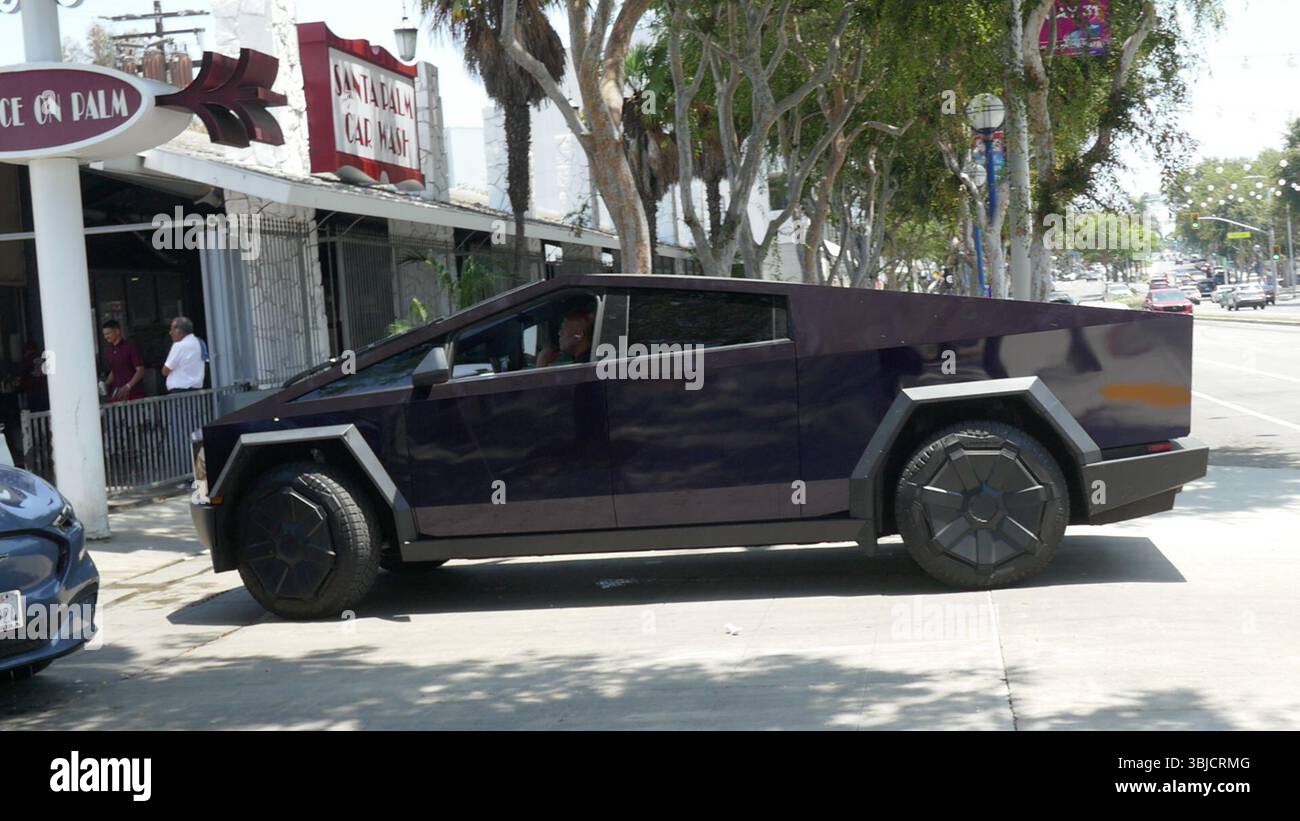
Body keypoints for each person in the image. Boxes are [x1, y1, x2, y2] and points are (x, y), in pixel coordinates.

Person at [100, 319, 145, 402]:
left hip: (134, 395)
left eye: (108, 333)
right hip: (118, 395)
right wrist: (106, 384)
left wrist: (128, 386)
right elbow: (114, 371)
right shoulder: (109, 351)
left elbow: (140, 370)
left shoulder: (130, 347)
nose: (106, 337)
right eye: (104, 334)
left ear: (117, 331)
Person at [162, 316, 205, 392]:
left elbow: (165, 371)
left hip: (180, 390)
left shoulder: (179, 345)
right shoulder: (199, 342)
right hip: (197, 389)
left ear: (178, 331)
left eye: (172, 330)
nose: (170, 333)